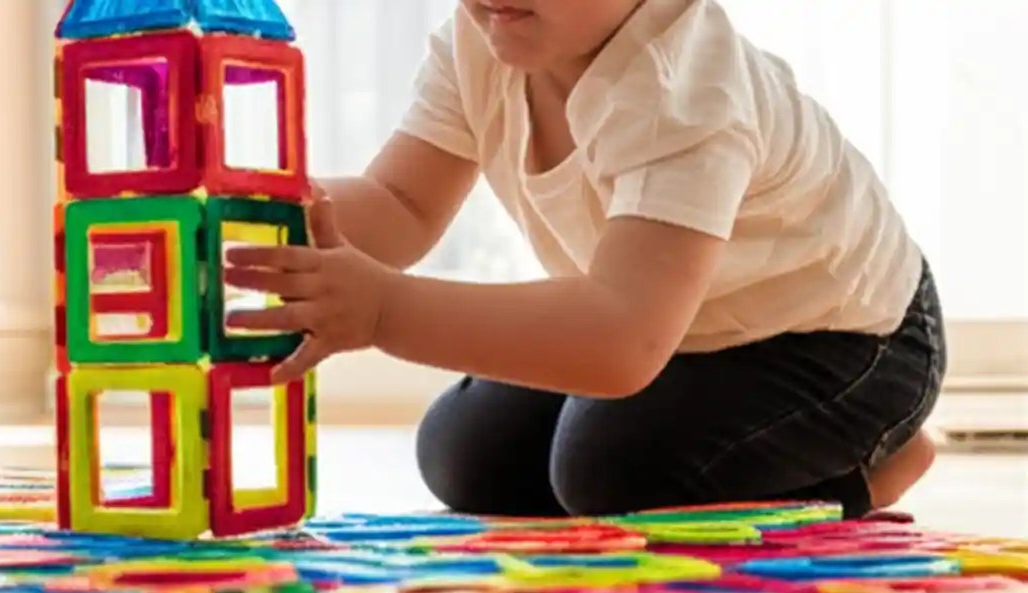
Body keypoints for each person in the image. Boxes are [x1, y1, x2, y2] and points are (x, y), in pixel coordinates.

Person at [221, 0, 947, 519]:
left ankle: (874, 469)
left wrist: (383, 310)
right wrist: (245, 211)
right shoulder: (483, 40)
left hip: (846, 342)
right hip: (676, 327)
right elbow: (399, 202)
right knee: (466, 455)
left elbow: (620, 340)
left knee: (609, 470)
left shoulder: (684, 90)